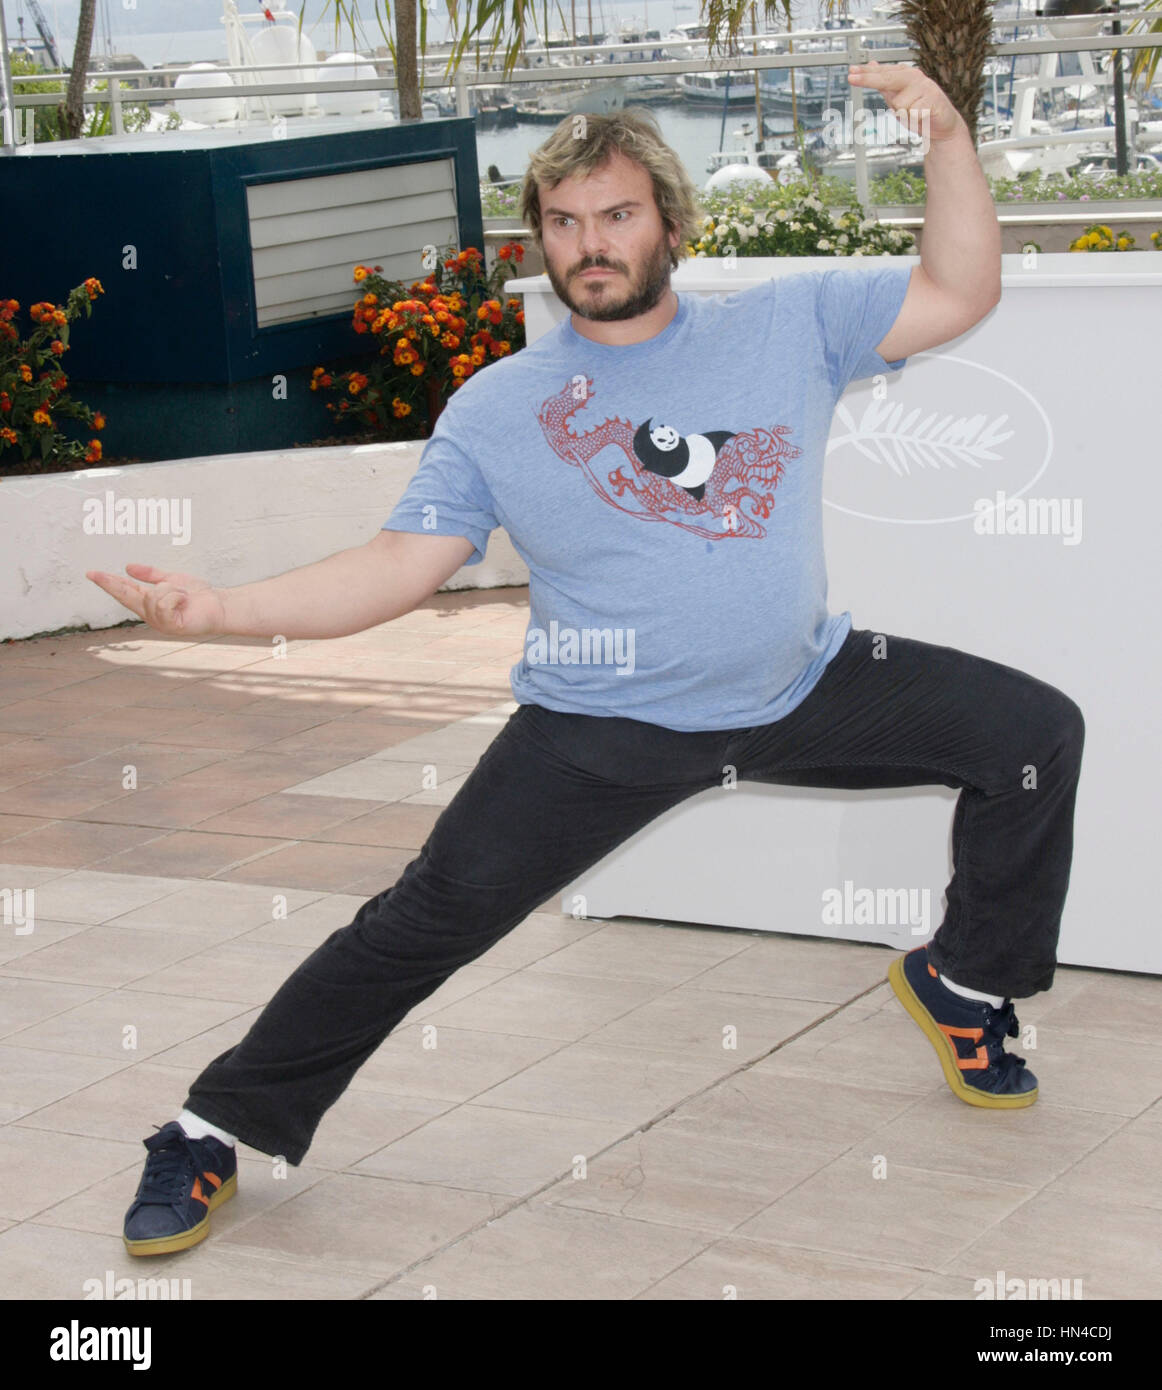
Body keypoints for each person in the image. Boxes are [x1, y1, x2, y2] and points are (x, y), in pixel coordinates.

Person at [87, 69, 1084, 1259]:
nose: (589, 243)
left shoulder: (788, 323)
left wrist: (948, 137)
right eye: (562, 221)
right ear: (540, 239)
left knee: (1032, 736)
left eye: (615, 215)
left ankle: (964, 982)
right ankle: (208, 1130)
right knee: (417, 924)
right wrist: (222, 611)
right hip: (597, 730)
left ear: (669, 221)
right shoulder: (500, 406)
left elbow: (960, 287)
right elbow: (397, 564)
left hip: (801, 687)